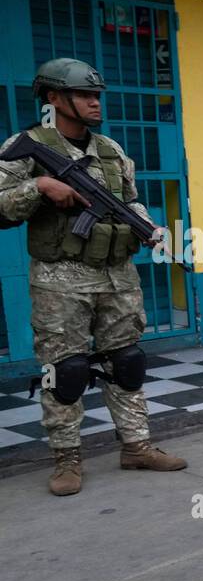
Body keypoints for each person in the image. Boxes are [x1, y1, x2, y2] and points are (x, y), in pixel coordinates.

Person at [0, 58, 185, 496]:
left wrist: (148, 227)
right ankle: (67, 460)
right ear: (53, 98)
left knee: (128, 362)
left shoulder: (111, 150)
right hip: (59, 278)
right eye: (84, 95)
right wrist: (41, 188)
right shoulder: (27, 145)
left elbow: (132, 200)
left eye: (97, 95)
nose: (94, 102)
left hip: (117, 277)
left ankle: (137, 446)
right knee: (66, 370)